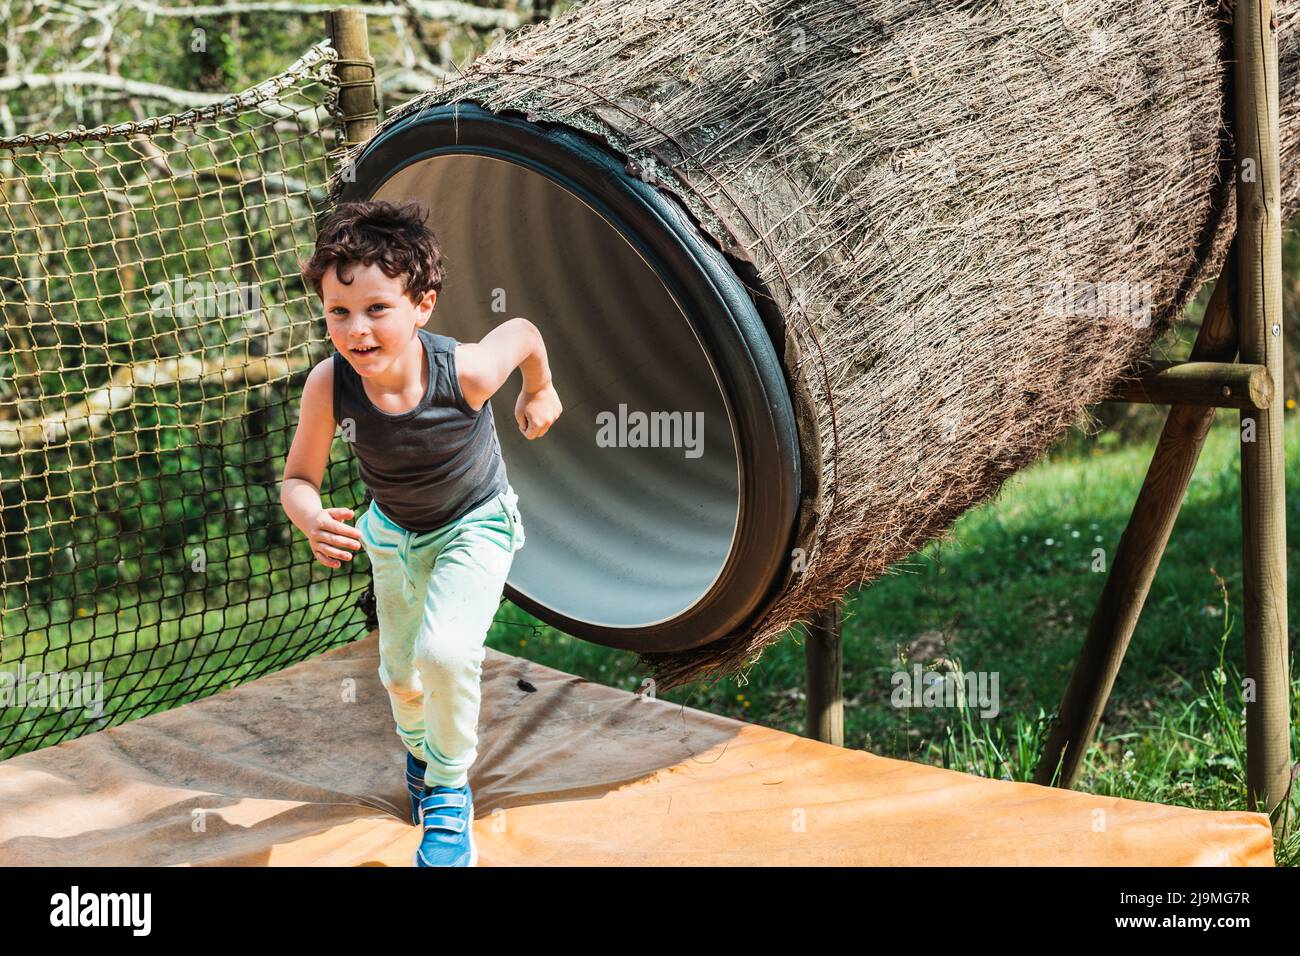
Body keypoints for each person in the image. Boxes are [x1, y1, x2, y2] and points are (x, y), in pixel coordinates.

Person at [281, 199, 562, 866]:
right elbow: (297, 477)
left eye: (378, 308)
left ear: (422, 306)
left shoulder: (463, 373)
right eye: (339, 313)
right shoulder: (330, 386)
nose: (357, 329)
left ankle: (447, 790)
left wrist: (540, 389)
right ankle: (422, 750)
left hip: (476, 525)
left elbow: (520, 330)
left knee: (445, 653)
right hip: (392, 534)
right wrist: (310, 516)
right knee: (401, 674)